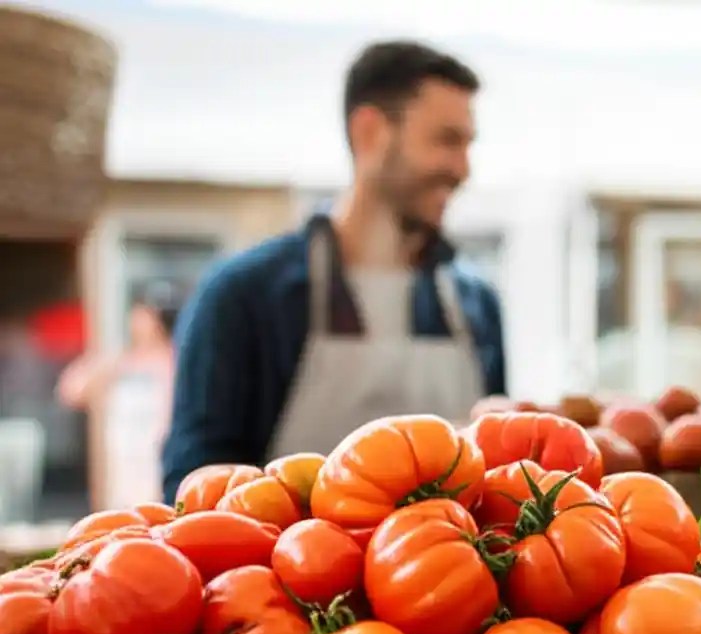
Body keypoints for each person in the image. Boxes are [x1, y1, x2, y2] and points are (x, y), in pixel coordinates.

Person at [161, 41, 506, 503]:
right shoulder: (243, 296)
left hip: (450, 568)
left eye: (468, 145)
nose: (463, 170)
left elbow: (498, 475)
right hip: (295, 572)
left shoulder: (476, 304)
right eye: (446, 141)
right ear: (369, 133)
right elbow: (193, 494)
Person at [58, 285, 179, 508]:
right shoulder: (122, 362)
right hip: (122, 467)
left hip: (156, 461)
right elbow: (72, 391)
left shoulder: (173, 362)